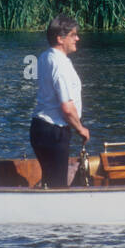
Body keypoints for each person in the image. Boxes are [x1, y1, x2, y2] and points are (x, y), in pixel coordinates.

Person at [30, 14, 89, 189]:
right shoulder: (60, 64)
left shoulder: (45, 56)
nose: (77, 38)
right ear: (60, 39)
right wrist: (81, 129)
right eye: (73, 35)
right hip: (54, 131)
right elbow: (67, 108)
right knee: (58, 187)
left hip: (39, 128)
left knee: (50, 181)